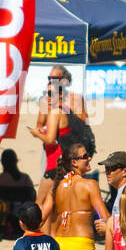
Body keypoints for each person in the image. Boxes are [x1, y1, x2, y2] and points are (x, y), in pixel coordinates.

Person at [29, 66, 91, 206]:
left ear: (64, 80)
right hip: (51, 151)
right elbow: (40, 125)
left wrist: (60, 123)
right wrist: (42, 131)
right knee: (52, 199)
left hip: (69, 152)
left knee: (52, 199)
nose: (51, 80)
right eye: (49, 78)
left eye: (55, 78)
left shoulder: (75, 100)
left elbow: (82, 128)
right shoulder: (45, 101)